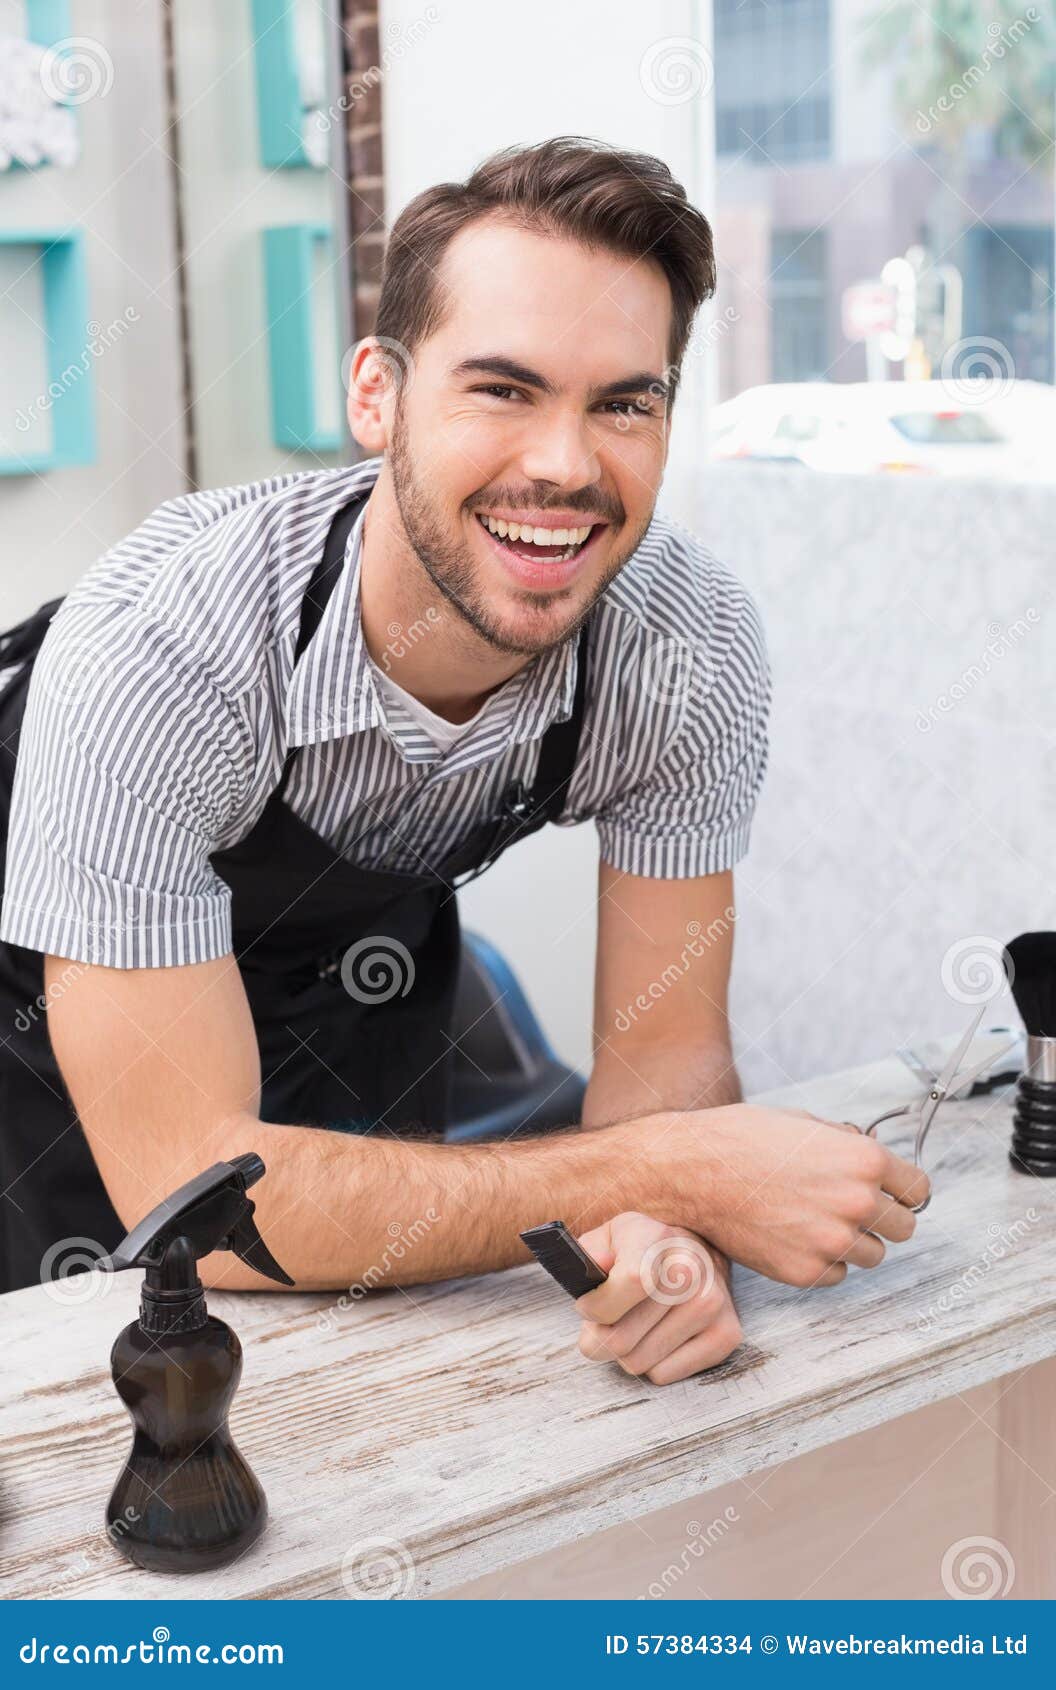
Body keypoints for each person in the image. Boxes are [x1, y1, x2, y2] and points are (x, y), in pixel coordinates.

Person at [0, 137, 927, 1382]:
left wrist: (661, 1239)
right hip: (45, 1025)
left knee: (390, 1374)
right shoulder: (164, 650)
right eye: (503, 389)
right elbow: (196, 1195)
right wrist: (668, 1172)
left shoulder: (683, 649)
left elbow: (665, 1063)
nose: (565, 466)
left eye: (624, 404)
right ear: (377, 396)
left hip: (354, 983)